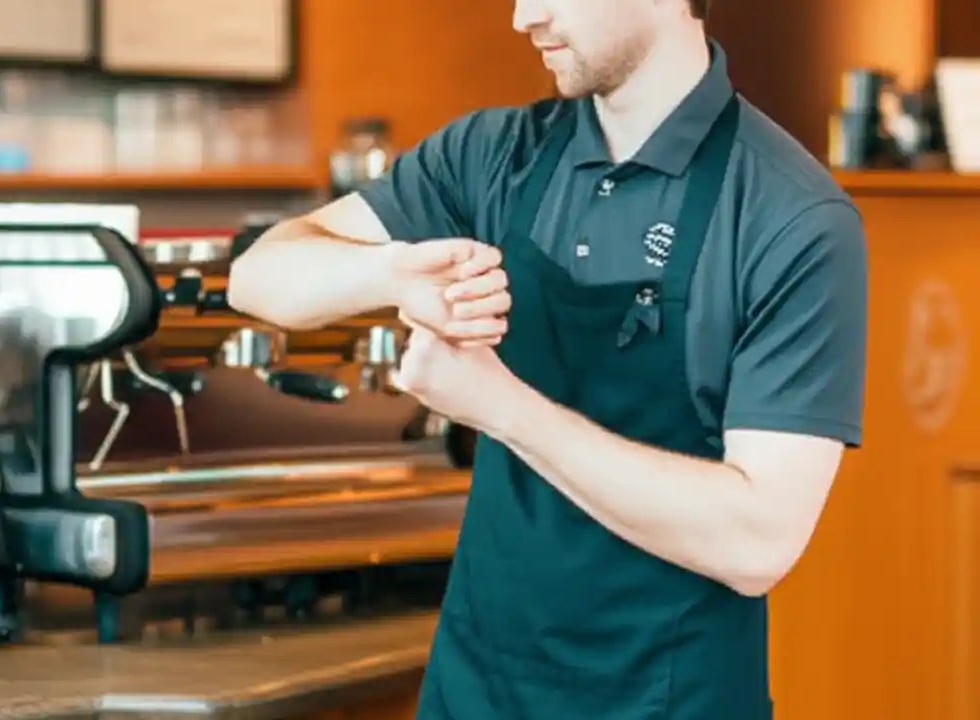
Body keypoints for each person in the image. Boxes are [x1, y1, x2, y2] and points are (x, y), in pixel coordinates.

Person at [227, 0, 867, 717]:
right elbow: (258, 276)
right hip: (477, 693)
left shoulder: (794, 221)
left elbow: (757, 543)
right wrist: (394, 273)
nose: (522, 17)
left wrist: (502, 408)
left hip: (669, 701)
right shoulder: (492, 155)